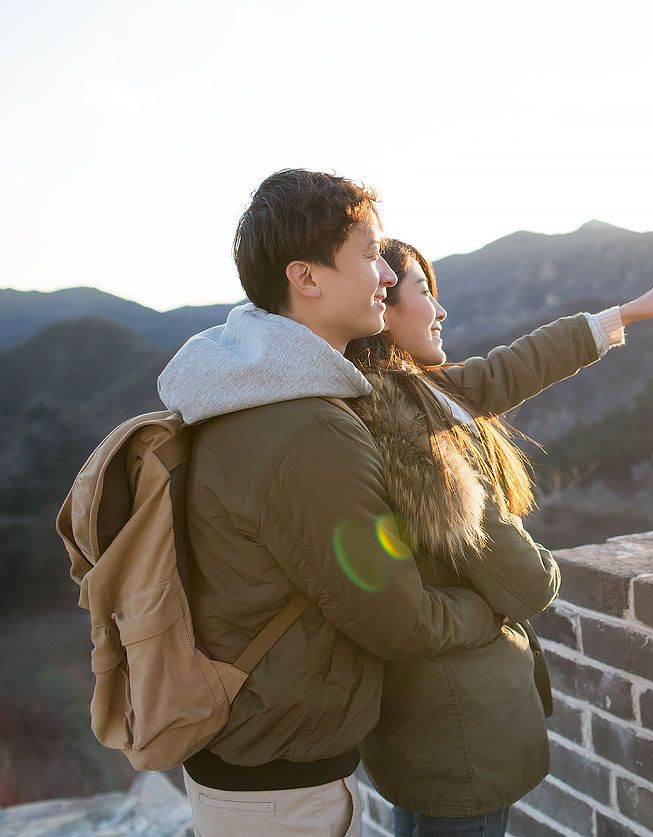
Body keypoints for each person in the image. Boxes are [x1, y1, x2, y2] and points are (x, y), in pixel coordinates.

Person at [156, 170, 506, 836]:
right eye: (371, 254)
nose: (384, 275)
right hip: (281, 789)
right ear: (306, 278)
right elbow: (397, 620)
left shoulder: (241, 392)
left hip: (250, 760)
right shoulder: (306, 428)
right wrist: (485, 609)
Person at [344, 239, 653, 837]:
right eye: (424, 293)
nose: (441, 311)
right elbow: (529, 586)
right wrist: (534, 572)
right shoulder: (420, 437)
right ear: (382, 309)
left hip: (418, 726)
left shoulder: (399, 398)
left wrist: (626, 314)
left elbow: (510, 368)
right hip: (463, 728)